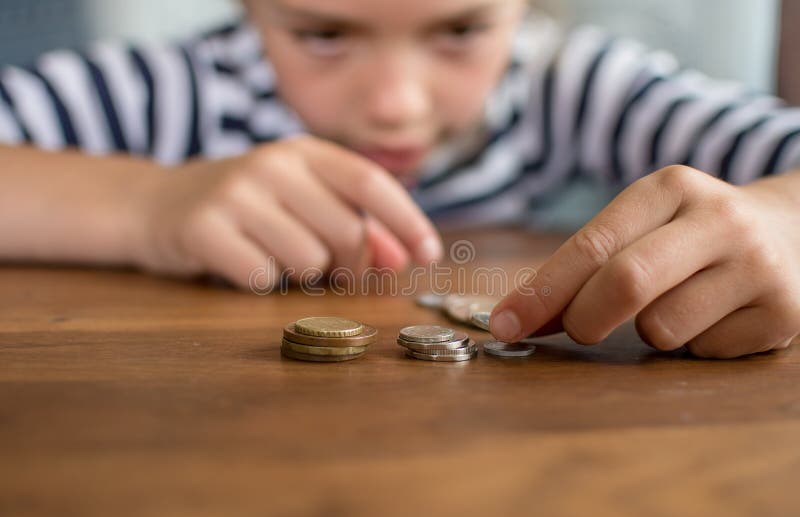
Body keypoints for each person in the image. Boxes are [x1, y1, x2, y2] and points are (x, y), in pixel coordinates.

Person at [1, 0, 799, 358]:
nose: (396, 105)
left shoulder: (569, 83)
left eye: (462, 29)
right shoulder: (172, 90)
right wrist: (146, 205)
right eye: (323, 34)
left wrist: (782, 219)